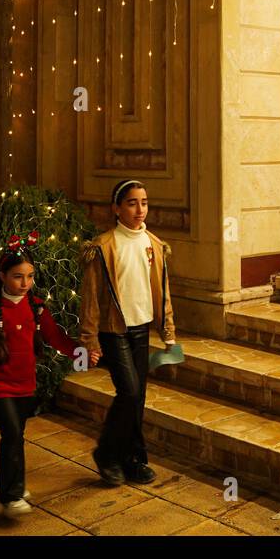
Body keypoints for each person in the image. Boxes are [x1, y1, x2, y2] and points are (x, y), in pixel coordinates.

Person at [0, 247, 79, 516]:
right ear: (2, 276)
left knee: (16, 436)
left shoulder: (36, 307)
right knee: (12, 434)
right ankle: (11, 495)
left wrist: (81, 353)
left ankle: (12, 482)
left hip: (25, 384)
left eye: (30, 276)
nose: (25, 283)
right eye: (18, 276)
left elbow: (54, 337)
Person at [79, 179, 176, 486]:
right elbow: (90, 298)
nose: (139, 209)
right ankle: (106, 453)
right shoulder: (103, 247)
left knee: (138, 397)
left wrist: (168, 331)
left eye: (144, 202)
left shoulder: (154, 244)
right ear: (117, 208)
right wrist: (89, 340)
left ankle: (133, 459)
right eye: (132, 203)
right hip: (114, 329)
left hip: (141, 328)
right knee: (129, 392)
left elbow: (163, 291)